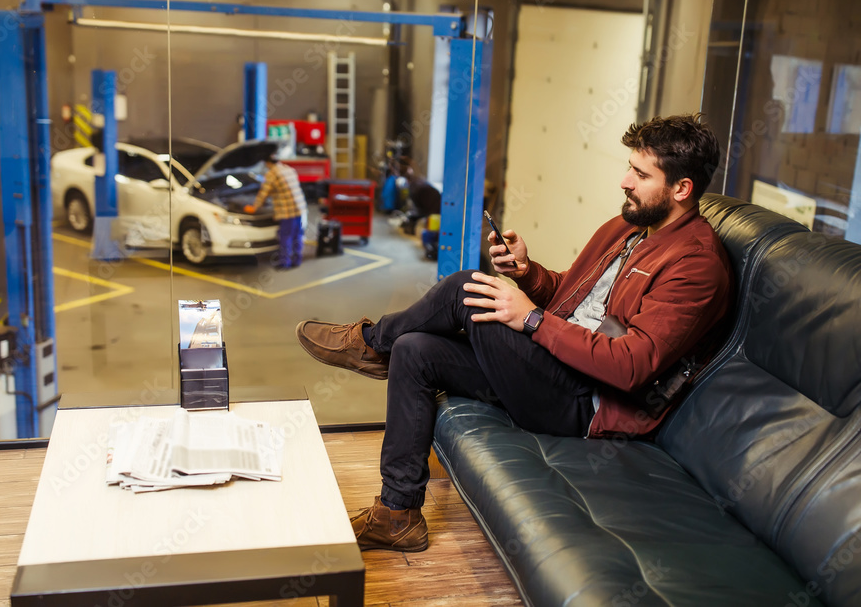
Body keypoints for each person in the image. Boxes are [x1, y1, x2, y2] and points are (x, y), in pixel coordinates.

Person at [295, 113, 735, 552]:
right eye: (629, 167)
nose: (624, 181)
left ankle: (371, 344)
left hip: (585, 402)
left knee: (464, 288)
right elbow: (571, 297)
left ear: (681, 189)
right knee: (415, 349)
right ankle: (398, 514)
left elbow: (630, 366)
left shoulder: (695, 264)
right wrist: (527, 274)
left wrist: (531, 319)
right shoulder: (629, 227)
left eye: (640, 174)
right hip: (551, 366)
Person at [244, 151, 307, 269]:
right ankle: (297, 259)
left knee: (285, 236)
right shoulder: (288, 169)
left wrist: (254, 207)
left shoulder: (272, 174)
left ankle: (285, 262)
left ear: (267, 163)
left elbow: (263, 194)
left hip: (287, 211)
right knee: (297, 234)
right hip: (299, 207)